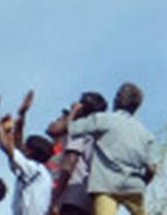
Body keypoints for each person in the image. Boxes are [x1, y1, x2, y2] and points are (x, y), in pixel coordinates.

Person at [66, 83, 156, 215]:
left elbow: (71, 129)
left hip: (105, 185)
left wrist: (74, 111)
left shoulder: (103, 119)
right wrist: (142, 184)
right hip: (133, 186)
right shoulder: (145, 134)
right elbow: (151, 169)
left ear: (116, 100)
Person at [0, 95, 54, 215]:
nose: (22, 148)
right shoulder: (33, 171)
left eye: (26, 147)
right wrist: (21, 116)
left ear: (30, 152)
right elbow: (15, 146)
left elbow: (7, 147)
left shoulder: (33, 169)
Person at [51, 91, 110, 215]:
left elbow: (70, 162)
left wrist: (56, 196)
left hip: (73, 200)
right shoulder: (98, 135)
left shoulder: (80, 130)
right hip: (91, 202)